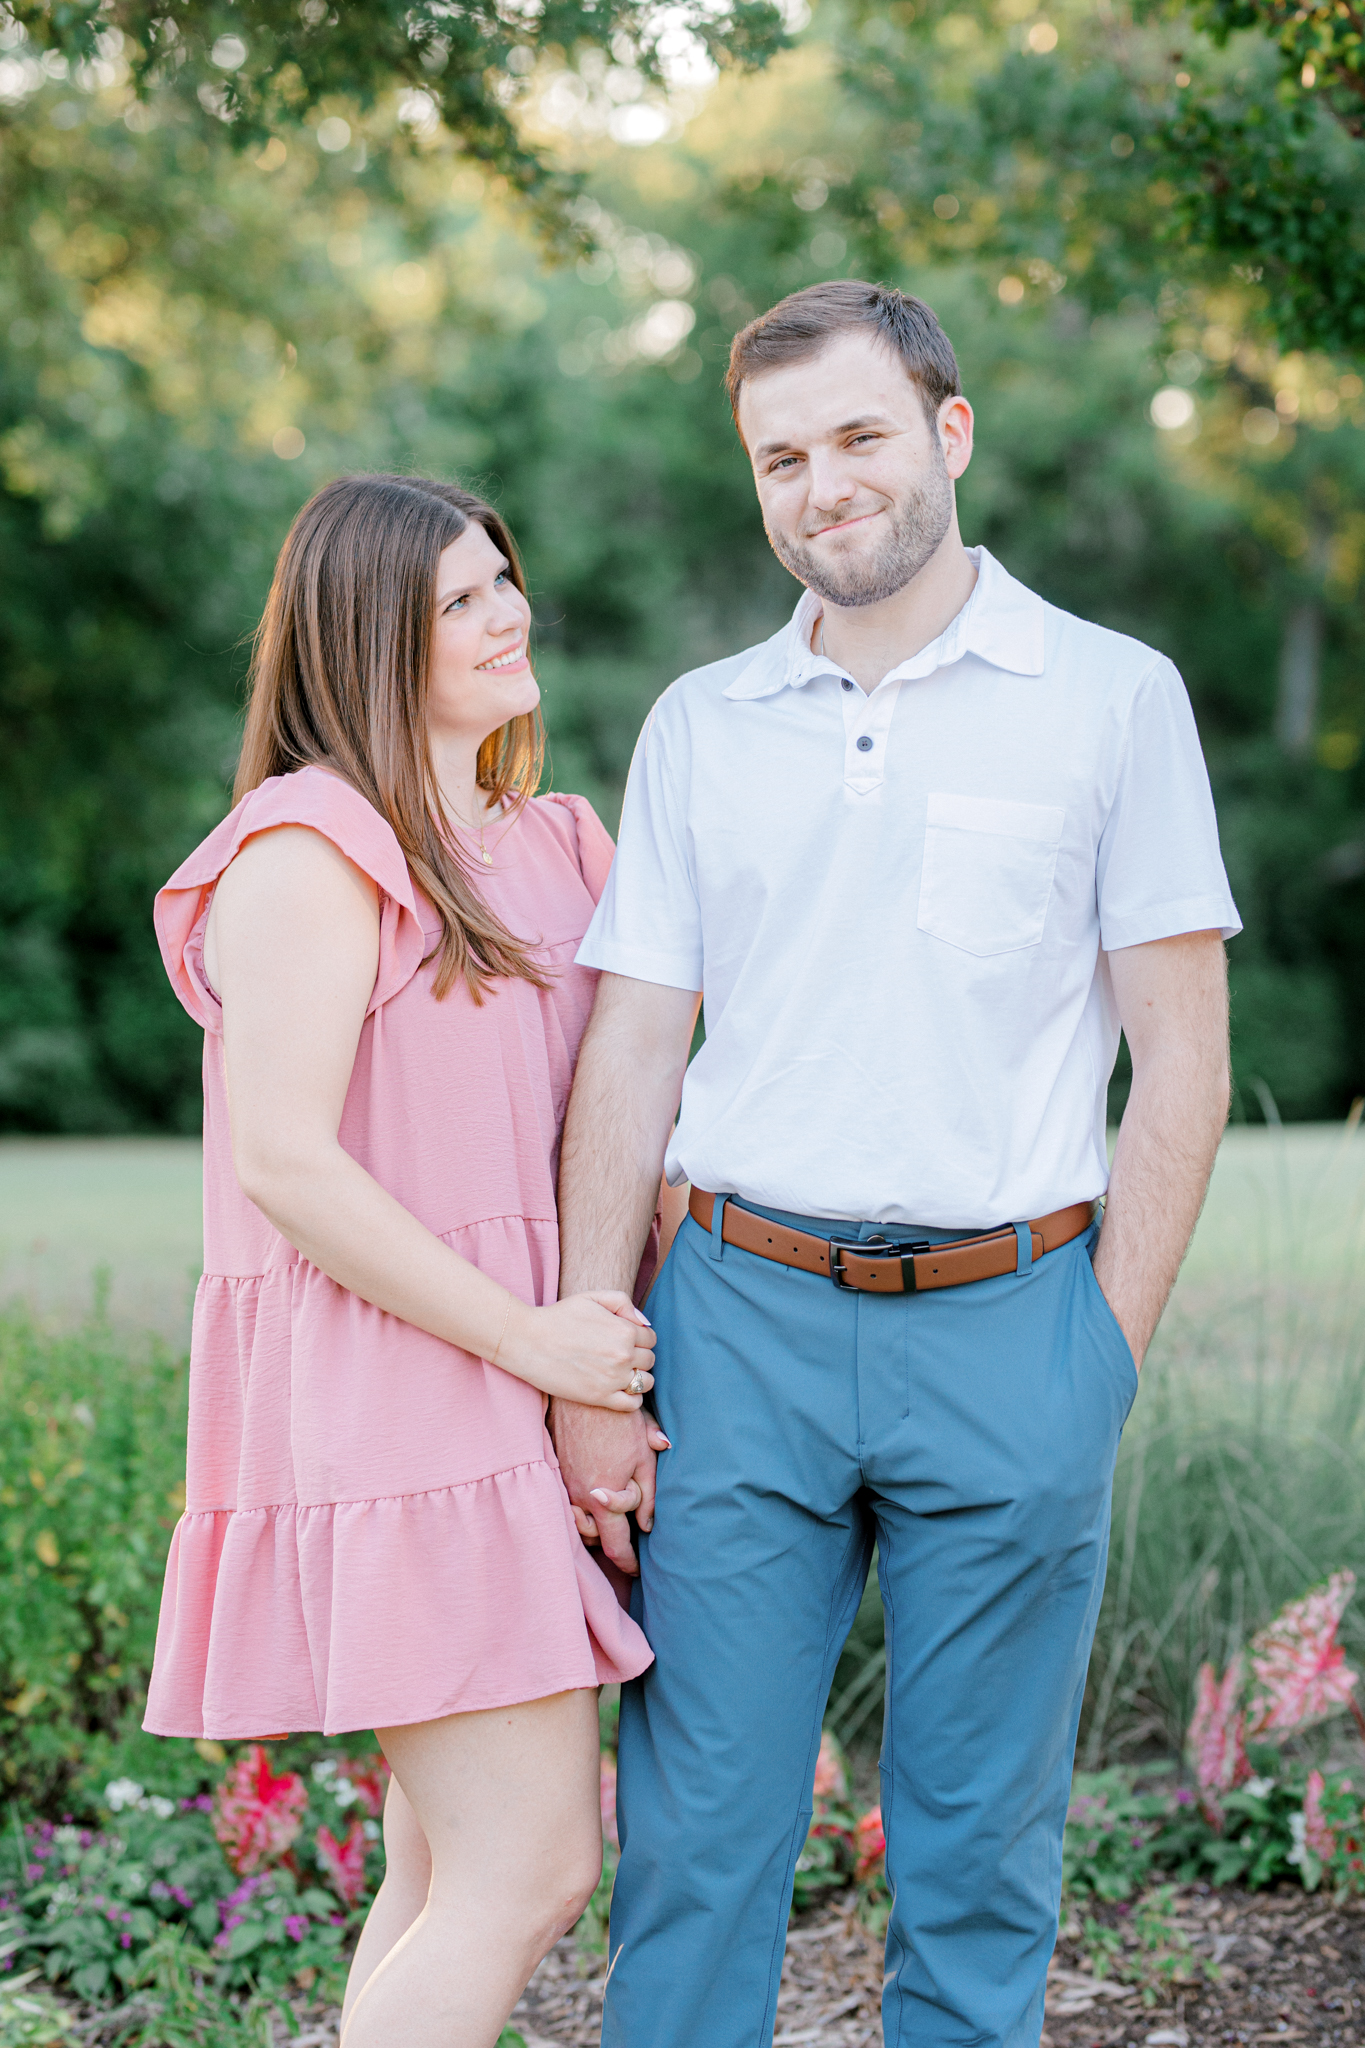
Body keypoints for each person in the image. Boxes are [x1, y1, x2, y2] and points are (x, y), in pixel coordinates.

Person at [551, 282, 1240, 2048]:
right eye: (780, 457)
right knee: (697, 1849)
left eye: (855, 437)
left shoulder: (1108, 697)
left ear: (945, 433)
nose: (817, 485)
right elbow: (631, 1046)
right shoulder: (703, 722)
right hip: (732, 1331)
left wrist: (1098, 1358)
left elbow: (1182, 1065)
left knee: (978, 1859)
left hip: (1013, 1326)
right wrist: (588, 1355)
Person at [144, 473, 663, 2048]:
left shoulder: (559, 846)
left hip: (526, 1383)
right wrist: (537, 1349)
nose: (507, 612)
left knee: (440, 1863)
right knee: (531, 1868)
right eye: (457, 597)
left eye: (503, 575)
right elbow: (287, 1166)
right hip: (404, 1389)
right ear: (367, 634)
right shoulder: (305, 852)